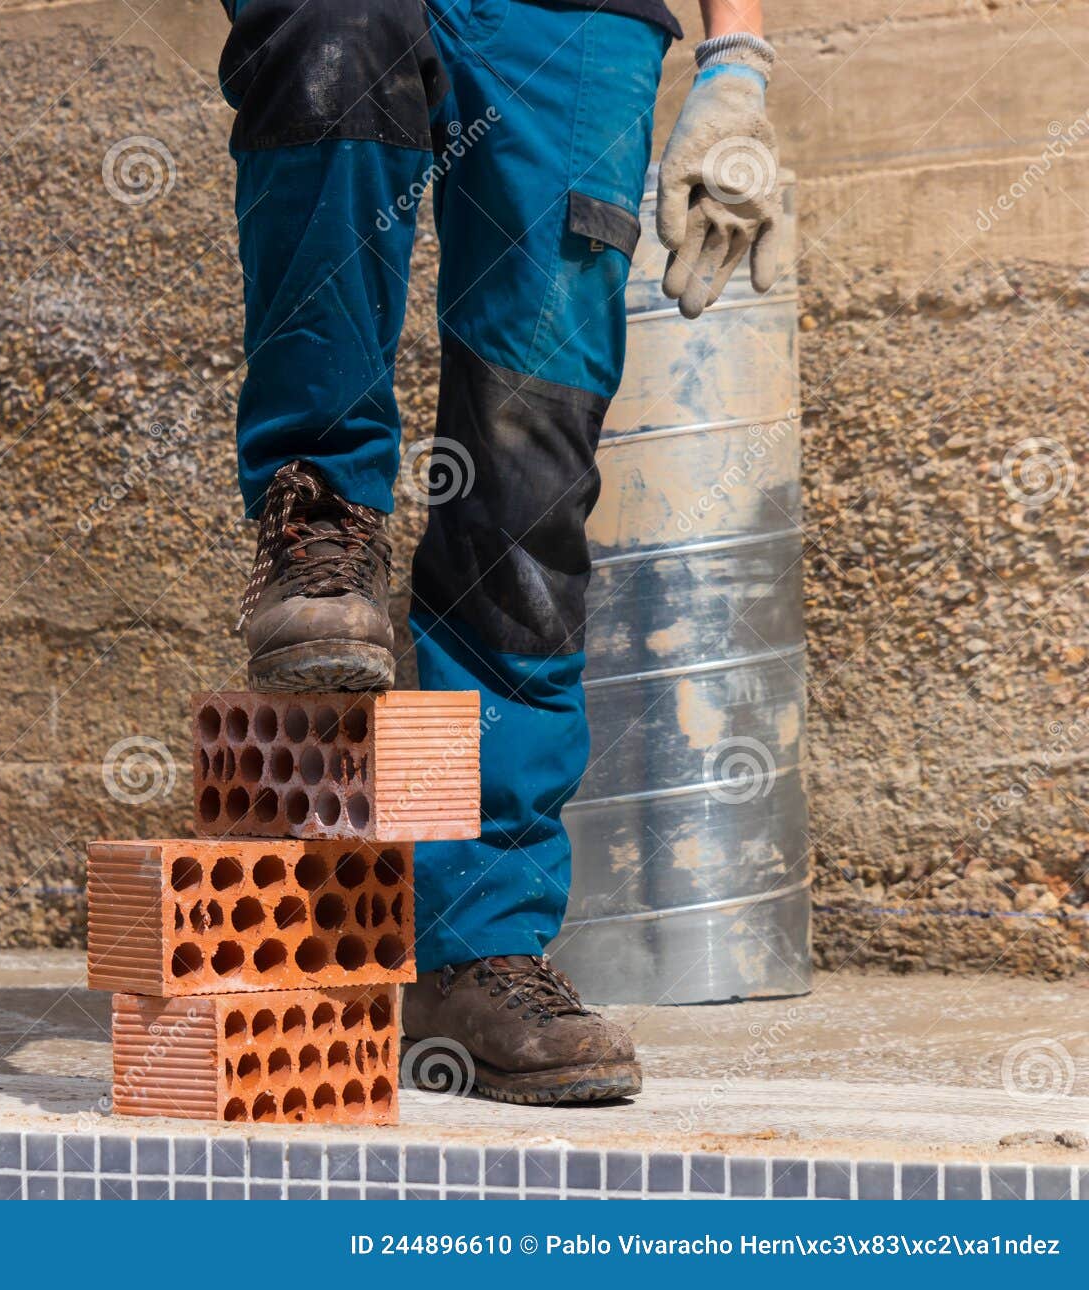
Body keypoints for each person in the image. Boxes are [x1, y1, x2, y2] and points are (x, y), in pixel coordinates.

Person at [223, 0, 782, 1103]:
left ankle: (475, 945)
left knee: (527, 469)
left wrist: (737, 57)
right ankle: (318, 517)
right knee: (332, 46)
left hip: (573, 21)